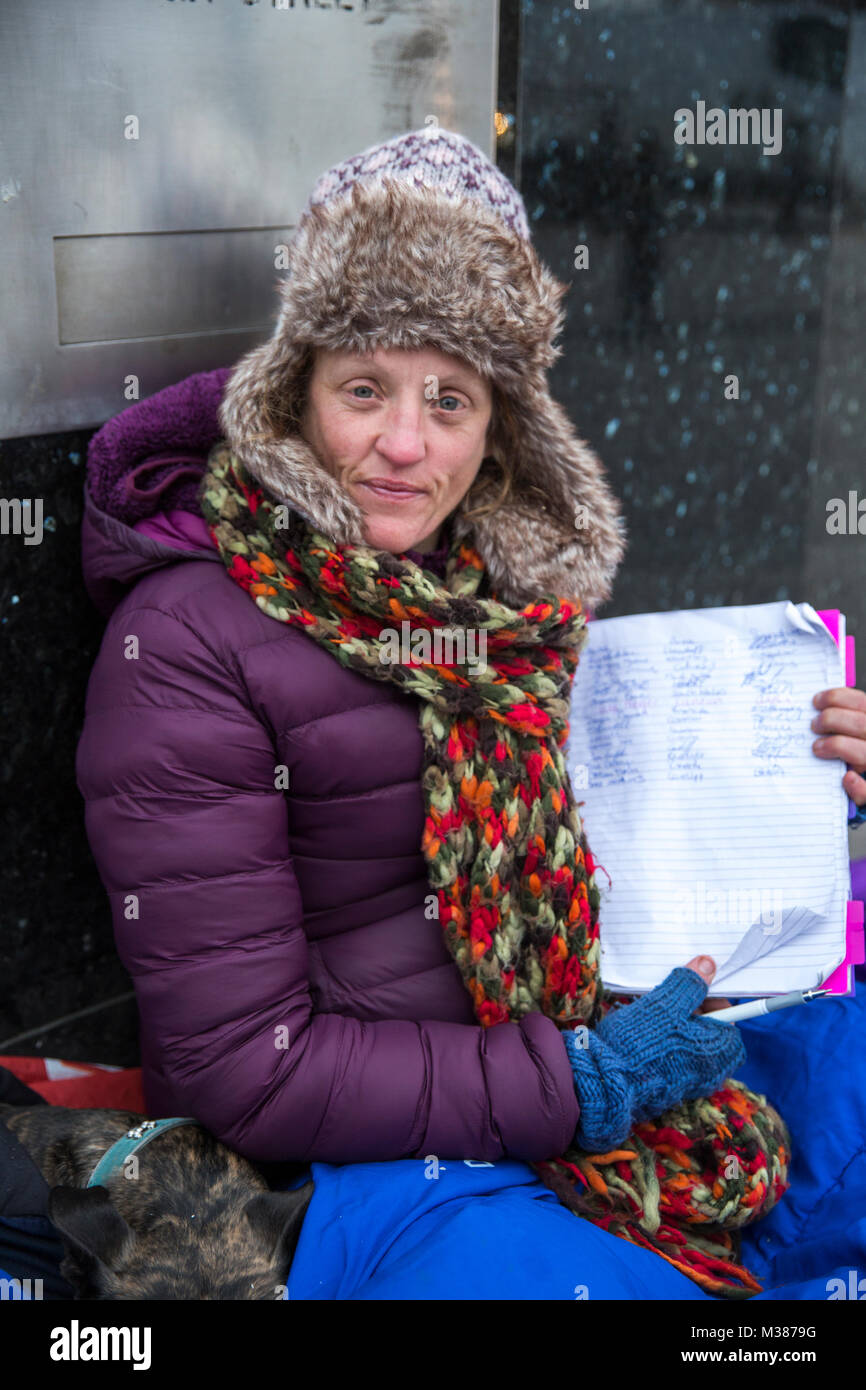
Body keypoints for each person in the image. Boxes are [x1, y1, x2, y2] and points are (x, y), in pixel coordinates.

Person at [66, 127, 866, 1299]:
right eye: (363, 390)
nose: (405, 444)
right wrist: (580, 1079)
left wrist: (811, 792)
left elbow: (633, 858)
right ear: (293, 391)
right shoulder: (184, 640)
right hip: (347, 1173)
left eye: (450, 398)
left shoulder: (502, 590)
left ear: (501, 420)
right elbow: (243, 1066)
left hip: (574, 1064)